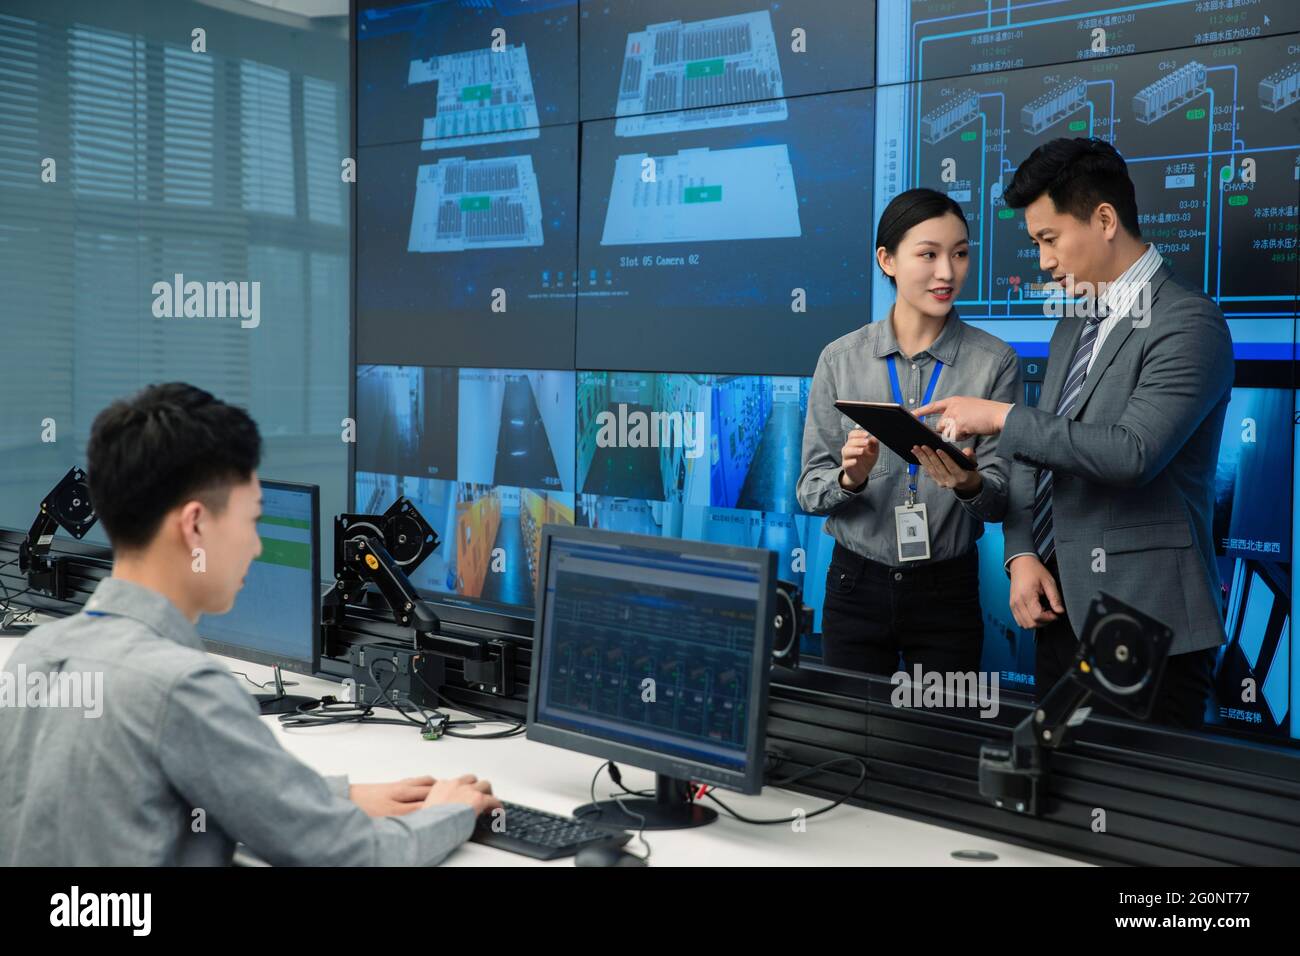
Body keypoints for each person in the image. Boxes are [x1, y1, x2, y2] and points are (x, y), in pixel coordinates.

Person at [0, 382, 501, 865]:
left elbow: (176, 788)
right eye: (250, 520)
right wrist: (452, 810)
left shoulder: (38, 654)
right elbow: (360, 856)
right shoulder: (183, 689)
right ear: (195, 526)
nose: (256, 546)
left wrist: (336, 796)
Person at [915, 138, 1233, 728]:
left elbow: (1132, 454)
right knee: (1060, 798)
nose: (1043, 260)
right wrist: (1021, 553)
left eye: (1048, 239)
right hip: (1059, 610)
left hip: (1144, 621)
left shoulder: (1190, 323)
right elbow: (1040, 455)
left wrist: (1002, 416)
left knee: (1142, 807)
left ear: (1105, 220)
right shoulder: (1075, 326)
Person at [797, 188, 1021, 676]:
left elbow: (1002, 499)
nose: (947, 272)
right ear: (888, 259)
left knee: (941, 740)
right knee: (850, 740)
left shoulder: (995, 363)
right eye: (929, 254)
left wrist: (968, 483)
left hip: (948, 590)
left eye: (960, 253)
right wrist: (849, 478)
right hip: (855, 583)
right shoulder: (840, 360)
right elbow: (810, 492)